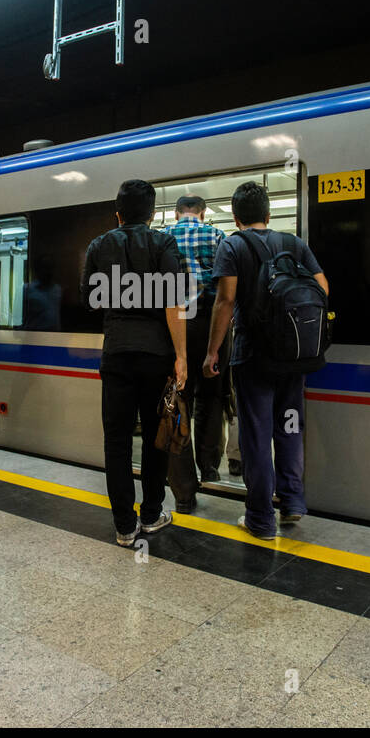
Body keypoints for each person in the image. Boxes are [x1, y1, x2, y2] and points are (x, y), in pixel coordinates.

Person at [204, 181, 328, 540]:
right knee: (289, 428)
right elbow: (323, 289)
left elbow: (225, 302)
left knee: (256, 435)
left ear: (236, 214)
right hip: (295, 357)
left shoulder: (232, 245)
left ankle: (260, 518)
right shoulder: (294, 244)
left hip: (254, 356)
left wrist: (213, 352)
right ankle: (292, 502)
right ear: (269, 213)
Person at [81, 178, 187, 546]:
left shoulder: (99, 245)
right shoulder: (163, 242)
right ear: (153, 212)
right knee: (156, 441)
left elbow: (90, 301)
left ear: (117, 213)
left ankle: (125, 526)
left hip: (117, 355)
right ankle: (152, 514)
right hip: (157, 356)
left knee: (117, 440)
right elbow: (175, 303)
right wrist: (182, 357)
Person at [162, 195, 228, 512]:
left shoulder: (164, 236)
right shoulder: (217, 235)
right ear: (202, 212)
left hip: (177, 320)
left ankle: (184, 492)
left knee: (180, 399)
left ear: (176, 213)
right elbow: (227, 286)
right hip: (211, 319)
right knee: (212, 396)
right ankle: (211, 467)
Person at [22, 255, 63, 330]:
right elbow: (18, 318)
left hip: (55, 337)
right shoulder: (27, 289)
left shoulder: (57, 289)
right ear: (37, 270)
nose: (48, 271)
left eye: (50, 267)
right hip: (34, 337)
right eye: (45, 267)